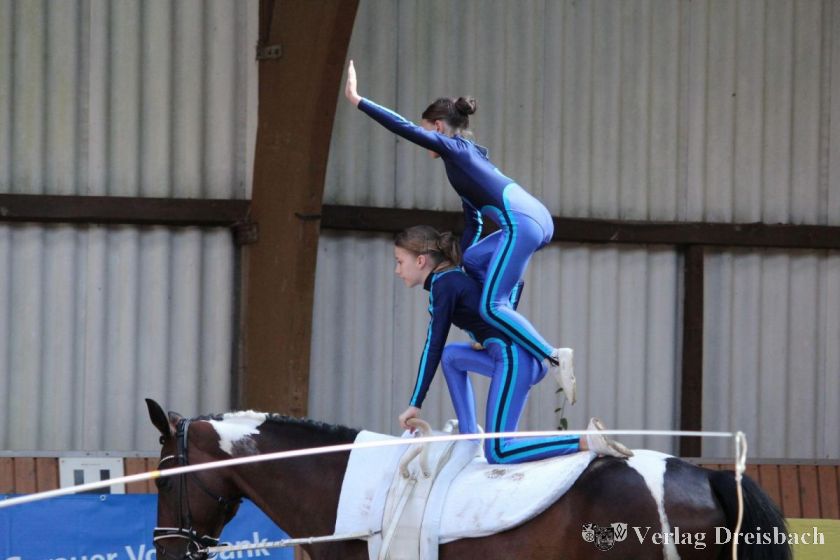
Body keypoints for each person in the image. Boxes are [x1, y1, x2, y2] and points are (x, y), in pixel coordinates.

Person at [345, 60, 577, 405]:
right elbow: (476, 223)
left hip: (522, 223)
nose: (425, 142)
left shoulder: (454, 148)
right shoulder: (468, 162)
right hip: (536, 219)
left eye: (428, 132)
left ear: (438, 127)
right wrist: (463, 265)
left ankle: (553, 355)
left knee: (492, 303)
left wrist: (358, 100)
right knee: (474, 259)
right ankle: (498, 330)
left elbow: (404, 128)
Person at [393, 225, 631, 464]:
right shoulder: (454, 277)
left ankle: (584, 440)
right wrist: (485, 337)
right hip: (514, 355)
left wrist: (416, 403)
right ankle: (469, 437)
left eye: (400, 262)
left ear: (421, 260)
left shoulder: (443, 285)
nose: (397, 270)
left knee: (499, 452)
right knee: (451, 356)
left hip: (513, 360)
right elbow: (516, 285)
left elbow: (432, 344)